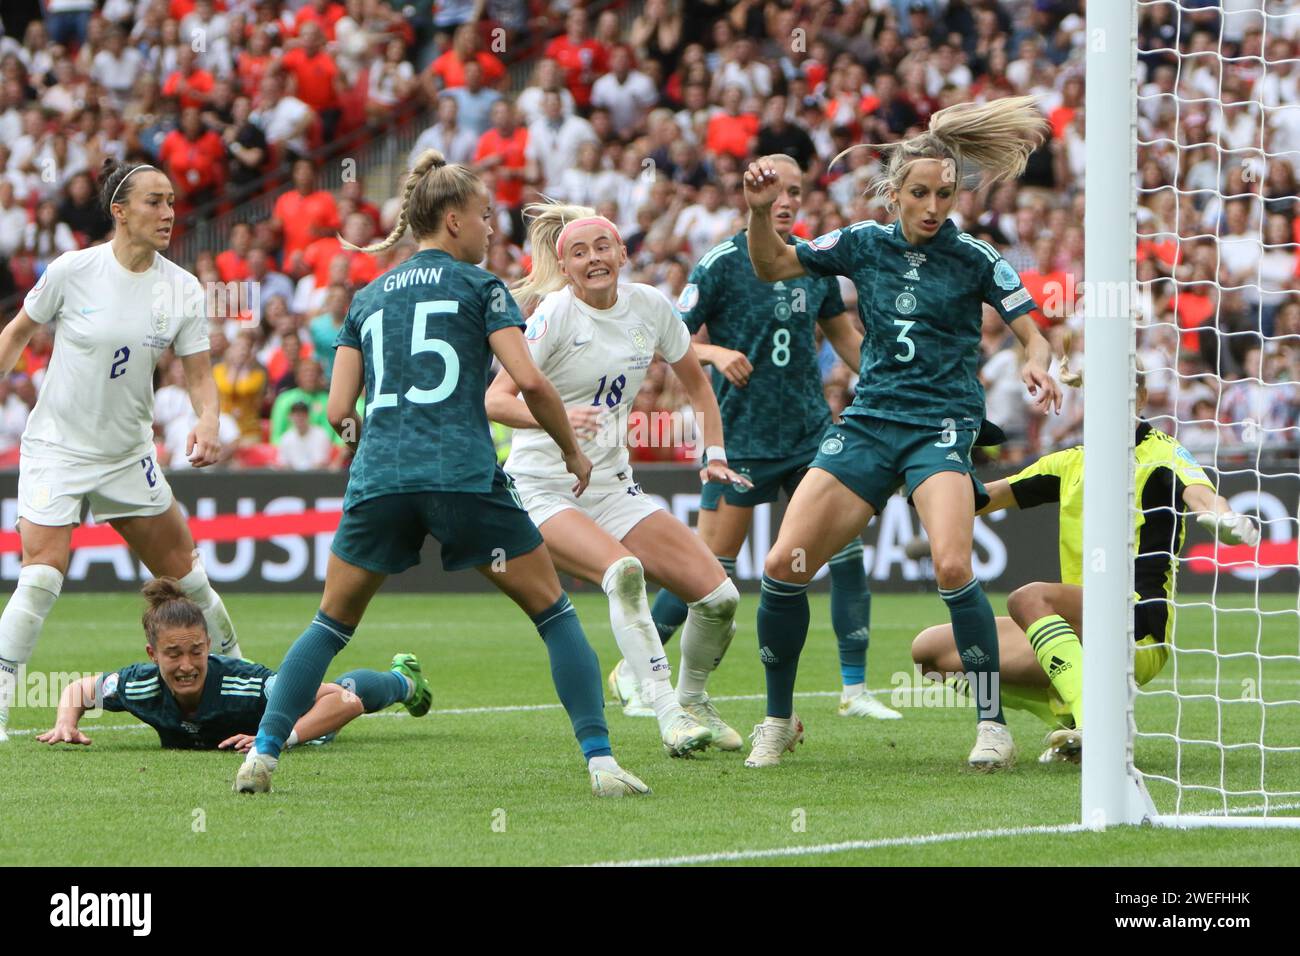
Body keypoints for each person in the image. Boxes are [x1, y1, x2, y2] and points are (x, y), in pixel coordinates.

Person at [235, 151, 650, 798]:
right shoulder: (481, 287)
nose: (492, 229)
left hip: (380, 480)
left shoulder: (368, 297)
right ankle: (600, 763)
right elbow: (532, 382)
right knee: (555, 614)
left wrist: (369, 447)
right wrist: (571, 449)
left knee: (329, 626)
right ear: (453, 220)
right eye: (485, 217)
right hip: (462, 477)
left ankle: (261, 756)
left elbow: (340, 411)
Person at [740, 97, 1061, 769]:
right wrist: (757, 212)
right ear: (893, 194)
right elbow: (772, 266)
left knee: (951, 563)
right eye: (920, 193)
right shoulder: (860, 243)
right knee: (782, 566)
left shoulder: (975, 256)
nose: (934, 205)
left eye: (945, 193)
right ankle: (778, 719)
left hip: (940, 424)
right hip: (868, 420)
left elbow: (1035, 335)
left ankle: (991, 725)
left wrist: (1037, 364)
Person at [486, 202, 749, 753]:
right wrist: (557, 418)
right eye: (578, 253)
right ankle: (666, 715)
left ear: (623, 253)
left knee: (720, 598)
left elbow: (698, 386)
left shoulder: (650, 307)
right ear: (566, 267)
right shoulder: (555, 315)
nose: (593, 259)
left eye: (602, 247)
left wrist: (714, 450)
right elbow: (496, 400)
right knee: (623, 572)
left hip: (611, 484)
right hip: (543, 485)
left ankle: (693, 697)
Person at [647, 154, 901, 722]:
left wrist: (895, 383)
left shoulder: (812, 262)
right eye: (777, 191)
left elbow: (847, 339)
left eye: (797, 190)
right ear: (753, 195)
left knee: (847, 550)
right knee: (711, 571)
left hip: (811, 432)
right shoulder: (719, 264)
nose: (787, 201)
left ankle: (854, 689)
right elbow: (671, 340)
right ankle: (640, 671)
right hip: (742, 436)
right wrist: (714, 352)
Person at [0, 160, 240, 744]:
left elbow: (200, 377)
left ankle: (243, 688)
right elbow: (15, 335)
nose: (168, 214)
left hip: (128, 455)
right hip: (56, 448)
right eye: (154, 202)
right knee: (39, 579)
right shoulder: (72, 271)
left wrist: (209, 420)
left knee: (191, 585)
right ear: (120, 211)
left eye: (172, 202)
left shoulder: (181, 287)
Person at [910, 373, 1260, 763]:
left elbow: (1202, 495)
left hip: (1136, 626)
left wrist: (1224, 520)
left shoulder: (1164, 454)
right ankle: (1074, 726)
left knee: (1028, 599)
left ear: (1141, 398)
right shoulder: (1071, 462)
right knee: (932, 654)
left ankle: (1093, 721)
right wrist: (925, 474)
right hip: (1077, 628)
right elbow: (983, 498)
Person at [38, 578, 430, 750]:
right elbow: (81, 689)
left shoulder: (244, 683)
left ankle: (403, 681)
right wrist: (65, 723)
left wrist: (278, 738)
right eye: (173, 655)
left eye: (196, 650)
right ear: (152, 655)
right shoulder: (140, 685)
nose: (188, 664)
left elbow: (345, 704)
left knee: (347, 687)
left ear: (210, 645)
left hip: (301, 729)